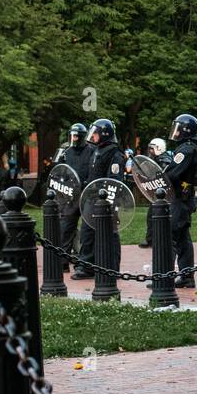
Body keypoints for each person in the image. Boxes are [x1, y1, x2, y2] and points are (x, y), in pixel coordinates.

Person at [72, 119, 125, 279]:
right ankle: (87, 266)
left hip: (105, 201)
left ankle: (112, 268)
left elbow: (114, 180)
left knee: (110, 233)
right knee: (87, 233)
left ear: (104, 134)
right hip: (91, 198)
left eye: (95, 133)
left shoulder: (115, 153)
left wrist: (108, 201)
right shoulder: (96, 150)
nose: (92, 136)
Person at [165, 115, 197, 287]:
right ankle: (187, 277)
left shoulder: (186, 149)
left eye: (179, 128)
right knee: (182, 238)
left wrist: (160, 177)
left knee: (171, 236)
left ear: (186, 130)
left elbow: (173, 174)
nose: (176, 131)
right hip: (184, 198)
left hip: (180, 198)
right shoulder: (191, 147)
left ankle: (165, 277)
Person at [58, 123, 91, 256]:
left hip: (85, 194)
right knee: (66, 227)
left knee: (86, 229)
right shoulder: (66, 152)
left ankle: (83, 260)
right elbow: (59, 172)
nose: (74, 139)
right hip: (70, 196)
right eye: (72, 136)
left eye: (77, 136)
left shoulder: (92, 151)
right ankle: (64, 260)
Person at [139, 137, 171, 249]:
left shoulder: (164, 160)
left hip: (164, 195)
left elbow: (162, 177)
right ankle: (151, 239)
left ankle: (159, 240)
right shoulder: (155, 160)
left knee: (160, 217)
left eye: (152, 149)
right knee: (151, 216)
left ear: (159, 148)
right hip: (155, 194)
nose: (150, 151)